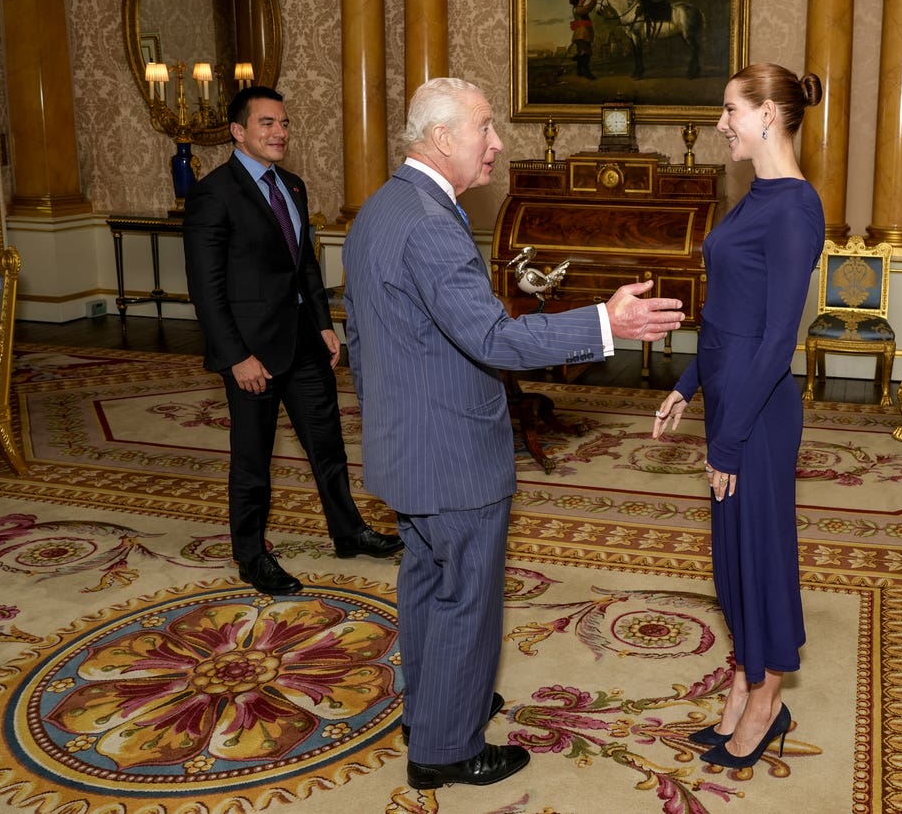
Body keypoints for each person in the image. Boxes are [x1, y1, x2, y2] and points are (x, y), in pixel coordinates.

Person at [342, 77, 684, 789]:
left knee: (426, 577)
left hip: (406, 442)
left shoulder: (381, 206)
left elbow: (364, 336)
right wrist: (604, 323)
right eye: (485, 128)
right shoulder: (433, 223)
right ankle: (447, 747)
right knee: (467, 592)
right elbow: (493, 337)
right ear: (442, 140)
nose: (497, 143)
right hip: (453, 451)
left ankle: (433, 705)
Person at [652, 63, 825, 769]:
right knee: (730, 561)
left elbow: (777, 338)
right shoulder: (754, 195)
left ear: (767, 116)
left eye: (729, 110)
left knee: (762, 556)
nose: (721, 123)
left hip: (757, 412)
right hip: (727, 399)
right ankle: (744, 678)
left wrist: (725, 439)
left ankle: (767, 698)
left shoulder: (795, 207)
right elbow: (728, 314)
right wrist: (690, 383)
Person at [183, 85, 403, 597]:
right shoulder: (213, 193)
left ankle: (348, 532)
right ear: (239, 132)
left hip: (303, 342)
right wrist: (237, 356)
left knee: (327, 444)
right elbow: (205, 288)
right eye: (267, 123)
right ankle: (252, 555)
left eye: (283, 123)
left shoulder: (294, 186)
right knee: (253, 458)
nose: (279, 132)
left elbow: (304, 263)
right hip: (252, 353)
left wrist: (325, 323)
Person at [568, 0, 600, 80]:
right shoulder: (578, 9)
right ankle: (586, 73)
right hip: (582, 35)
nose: (583, 0)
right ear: (577, 0)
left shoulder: (579, 8)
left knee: (582, 53)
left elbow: (586, 7)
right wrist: (594, 0)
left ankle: (579, 71)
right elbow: (587, 8)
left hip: (583, 35)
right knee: (586, 54)